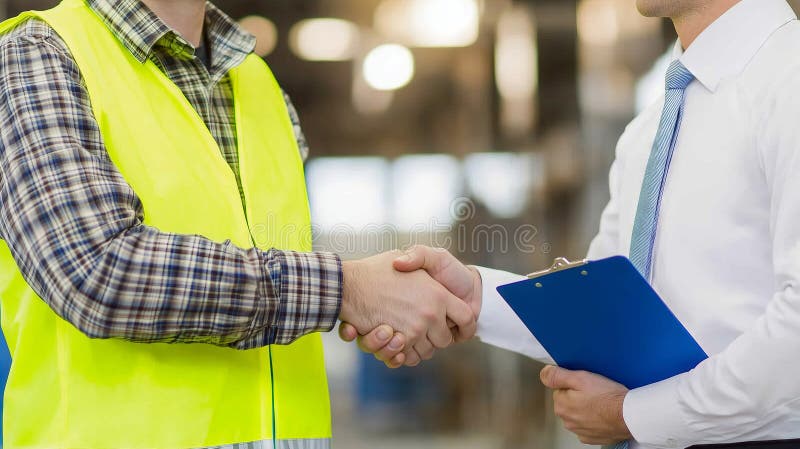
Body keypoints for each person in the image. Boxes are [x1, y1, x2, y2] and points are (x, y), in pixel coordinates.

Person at [0, 0, 476, 448]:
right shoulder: (35, 56)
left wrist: (397, 299)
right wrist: (349, 289)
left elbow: (280, 263)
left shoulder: (261, 84)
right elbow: (94, 270)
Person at [343, 0, 800, 447]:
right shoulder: (648, 130)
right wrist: (475, 298)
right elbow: (602, 318)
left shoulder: (788, 77)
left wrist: (628, 415)